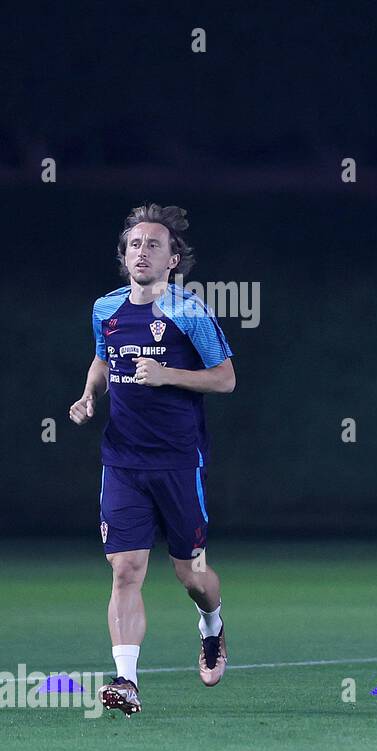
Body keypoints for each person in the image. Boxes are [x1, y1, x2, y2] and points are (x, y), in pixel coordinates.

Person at [68, 204, 236, 716]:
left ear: (173, 259)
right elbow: (103, 357)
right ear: (124, 256)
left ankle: (212, 625)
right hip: (121, 462)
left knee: (192, 575)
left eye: (154, 244)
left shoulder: (189, 312)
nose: (142, 251)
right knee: (125, 571)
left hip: (179, 463)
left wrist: (168, 375)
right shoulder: (106, 308)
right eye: (135, 244)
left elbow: (225, 378)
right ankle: (126, 680)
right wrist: (88, 395)